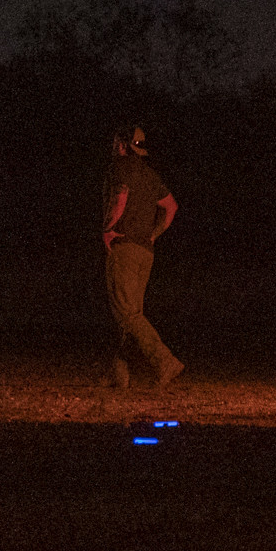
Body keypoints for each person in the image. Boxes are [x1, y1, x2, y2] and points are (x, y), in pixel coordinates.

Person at [101, 124, 183, 389]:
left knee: (127, 314)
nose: (113, 144)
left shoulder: (120, 168)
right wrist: (154, 234)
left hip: (124, 246)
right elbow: (171, 206)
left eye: (116, 140)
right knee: (131, 314)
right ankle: (119, 374)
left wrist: (108, 228)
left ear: (122, 144)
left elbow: (120, 196)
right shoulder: (149, 174)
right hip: (145, 252)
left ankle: (164, 361)